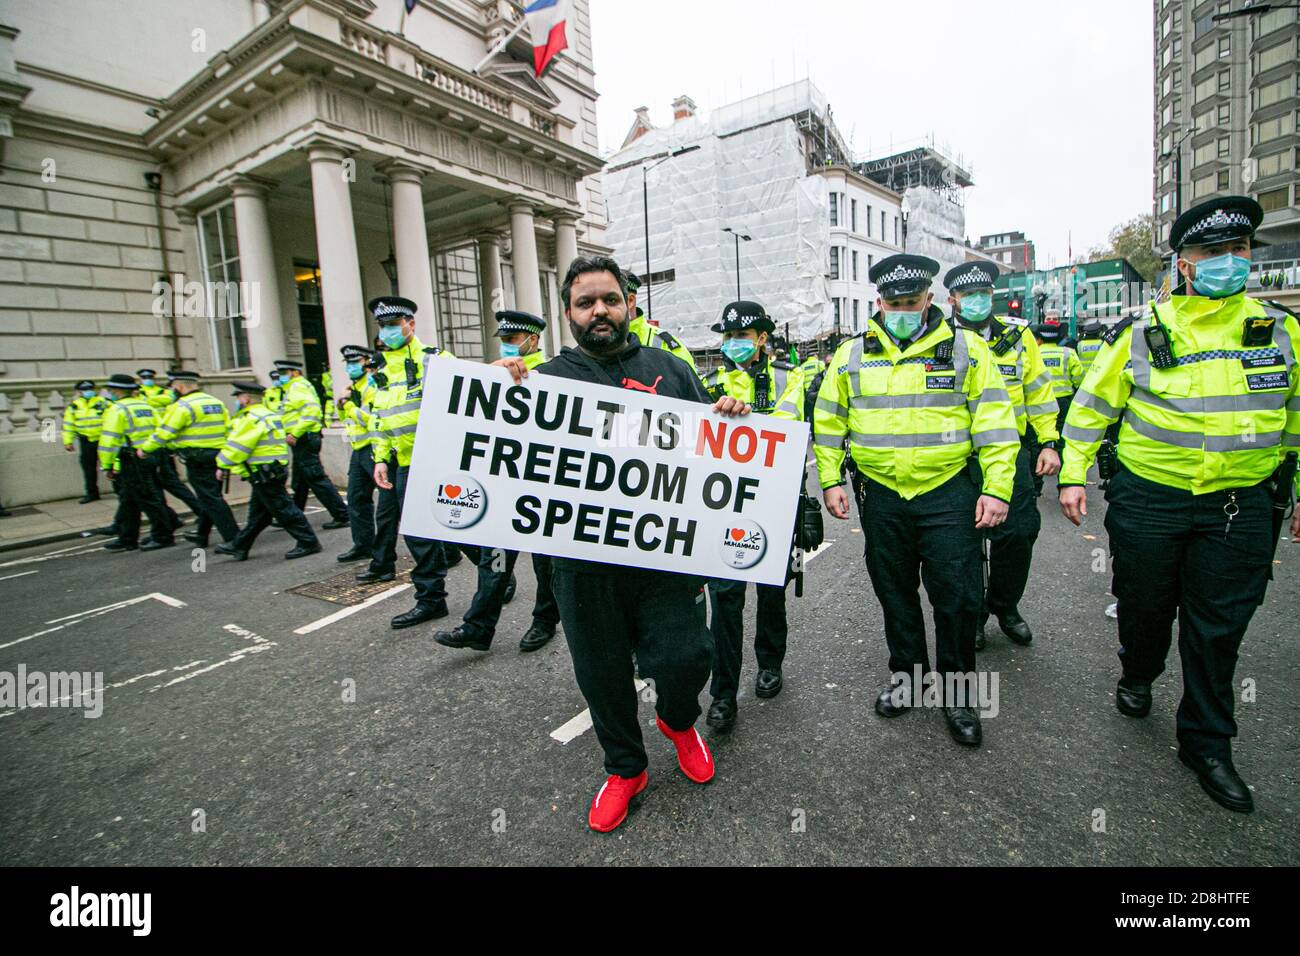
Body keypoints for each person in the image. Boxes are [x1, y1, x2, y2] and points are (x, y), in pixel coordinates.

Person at [1059, 195, 1300, 814]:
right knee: (1143, 603)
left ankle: (1208, 743)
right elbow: (1091, 409)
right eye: (1211, 252)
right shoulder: (1144, 332)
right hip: (1151, 500)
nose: (1227, 261)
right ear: (1184, 263)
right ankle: (1138, 671)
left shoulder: (1280, 329)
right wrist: (1074, 473)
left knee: (1218, 628)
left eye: (1238, 250)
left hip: (1239, 504)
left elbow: (1296, 419)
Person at [496, 255, 750, 833]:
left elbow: (710, 445)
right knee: (602, 671)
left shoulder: (670, 368)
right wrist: (492, 390)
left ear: (629, 306)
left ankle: (678, 722)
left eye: (610, 299)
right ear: (568, 315)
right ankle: (625, 768)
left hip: (665, 557)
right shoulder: (542, 381)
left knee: (688, 656)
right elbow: (503, 453)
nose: (600, 311)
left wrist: (732, 415)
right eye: (586, 303)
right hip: (584, 566)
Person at [815, 254, 1019, 748]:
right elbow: (828, 420)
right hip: (881, 495)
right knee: (895, 593)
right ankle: (908, 679)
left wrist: (997, 487)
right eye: (894, 303)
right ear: (879, 302)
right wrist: (830, 480)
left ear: (930, 299)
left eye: (913, 302)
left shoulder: (966, 348)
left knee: (957, 597)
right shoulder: (852, 354)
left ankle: (957, 695)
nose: (903, 310)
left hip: (948, 491)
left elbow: (995, 422)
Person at [699, 300, 806, 731]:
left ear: (763, 338)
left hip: (774, 502)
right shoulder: (708, 382)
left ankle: (770, 663)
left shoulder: (789, 378)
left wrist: (746, 421)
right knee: (724, 601)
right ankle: (723, 693)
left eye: (741, 336)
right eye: (727, 337)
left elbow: (789, 428)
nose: (733, 345)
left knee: (771, 590)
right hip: (723, 505)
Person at [945, 262, 1061, 650]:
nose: (977, 301)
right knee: (965, 540)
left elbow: (1039, 391)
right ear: (952, 300)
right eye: (968, 295)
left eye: (983, 294)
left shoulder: (1018, 335)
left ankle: (1004, 605)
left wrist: (1048, 441)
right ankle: (973, 613)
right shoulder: (940, 339)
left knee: (1018, 532)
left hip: (1013, 451)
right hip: (961, 454)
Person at [435, 310, 559, 654]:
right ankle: (478, 626)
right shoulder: (495, 373)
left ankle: (544, 622)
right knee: (495, 557)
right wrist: (492, 371)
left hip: (543, 484)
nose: (506, 346)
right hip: (507, 482)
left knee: (545, 562)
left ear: (533, 340)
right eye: (503, 340)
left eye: (512, 340)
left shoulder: (553, 372)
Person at [360, 296, 458, 629]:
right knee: (418, 532)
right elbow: (381, 418)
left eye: (392, 325)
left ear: (410, 325)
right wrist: (381, 458)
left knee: (457, 523)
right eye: (382, 326)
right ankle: (431, 600)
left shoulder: (435, 360)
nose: (387, 332)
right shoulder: (382, 369)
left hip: (435, 458)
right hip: (403, 463)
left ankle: (495, 573)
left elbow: (457, 406)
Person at [214, 382, 321, 561]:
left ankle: (308, 541)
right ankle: (240, 545)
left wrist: (223, 464)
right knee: (259, 514)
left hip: (264, 472)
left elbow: (238, 446)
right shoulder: (268, 415)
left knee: (284, 509)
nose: (238, 400)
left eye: (239, 397)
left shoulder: (252, 418)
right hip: (270, 469)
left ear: (246, 398)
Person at [138, 370, 239, 547]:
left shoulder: (182, 406)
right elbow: (229, 428)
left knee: (211, 499)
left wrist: (145, 449)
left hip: (197, 458)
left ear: (179, 386)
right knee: (208, 496)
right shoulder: (215, 402)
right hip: (218, 455)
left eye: (173, 387)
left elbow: (165, 432)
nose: (173, 391)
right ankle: (202, 534)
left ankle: (235, 539)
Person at [97, 374, 174, 553]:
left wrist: (107, 465)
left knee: (148, 499)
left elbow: (109, 440)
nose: (109, 393)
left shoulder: (117, 410)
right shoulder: (146, 406)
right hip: (149, 454)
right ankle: (127, 537)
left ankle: (163, 535)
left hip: (131, 459)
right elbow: (160, 430)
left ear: (117, 391)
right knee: (129, 499)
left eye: (110, 390)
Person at [273, 359, 350, 529]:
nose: (281, 377)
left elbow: (311, 412)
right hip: (302, 439)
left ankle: (342, 514)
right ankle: (294, 516)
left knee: (316, 478)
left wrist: (295, 432)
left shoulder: (298, 387)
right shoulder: (291, 388)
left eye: (284, 373)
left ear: (294, 372)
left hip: (305, 438)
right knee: (300, 481)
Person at [335, 345, 380, 563]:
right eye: (349, 363)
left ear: (367, 362)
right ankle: (363, 545)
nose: (352, 367)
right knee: (356, 498)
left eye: (356, 362)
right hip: (359, 449)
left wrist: (348, 404)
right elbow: (347, 419)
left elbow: (367, 418)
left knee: (396, 502)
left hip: (375, 448)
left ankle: (447, 550)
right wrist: (343, 403)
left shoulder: (372, 387)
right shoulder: (352, 388)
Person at [1033, 312, 1084, 496]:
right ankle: (1065, 481)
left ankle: (1036, 484)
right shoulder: (1068, 353)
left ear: (1038, 338)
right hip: (1064, 403)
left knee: (1039, 441)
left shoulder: (1034, 353)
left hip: (1039, 404)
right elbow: (1078, 378)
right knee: (1063, 441)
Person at [624, 272, 698, 371]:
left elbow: (689, 384)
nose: (600, 309)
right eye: (594, 300)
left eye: (611, 300)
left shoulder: (665, 345)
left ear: (630, 301)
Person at [63, 380, 108, 503]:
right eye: (85, 390)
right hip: (86, 441)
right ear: (79, 392)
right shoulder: (74, 406)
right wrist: (68, 441)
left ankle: (121, 491)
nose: (88, 392)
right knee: (88, 469)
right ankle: (92, 493)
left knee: (112, 466)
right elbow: (68, 425)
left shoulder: (103, 402)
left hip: (103, 439)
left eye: (90, 389)